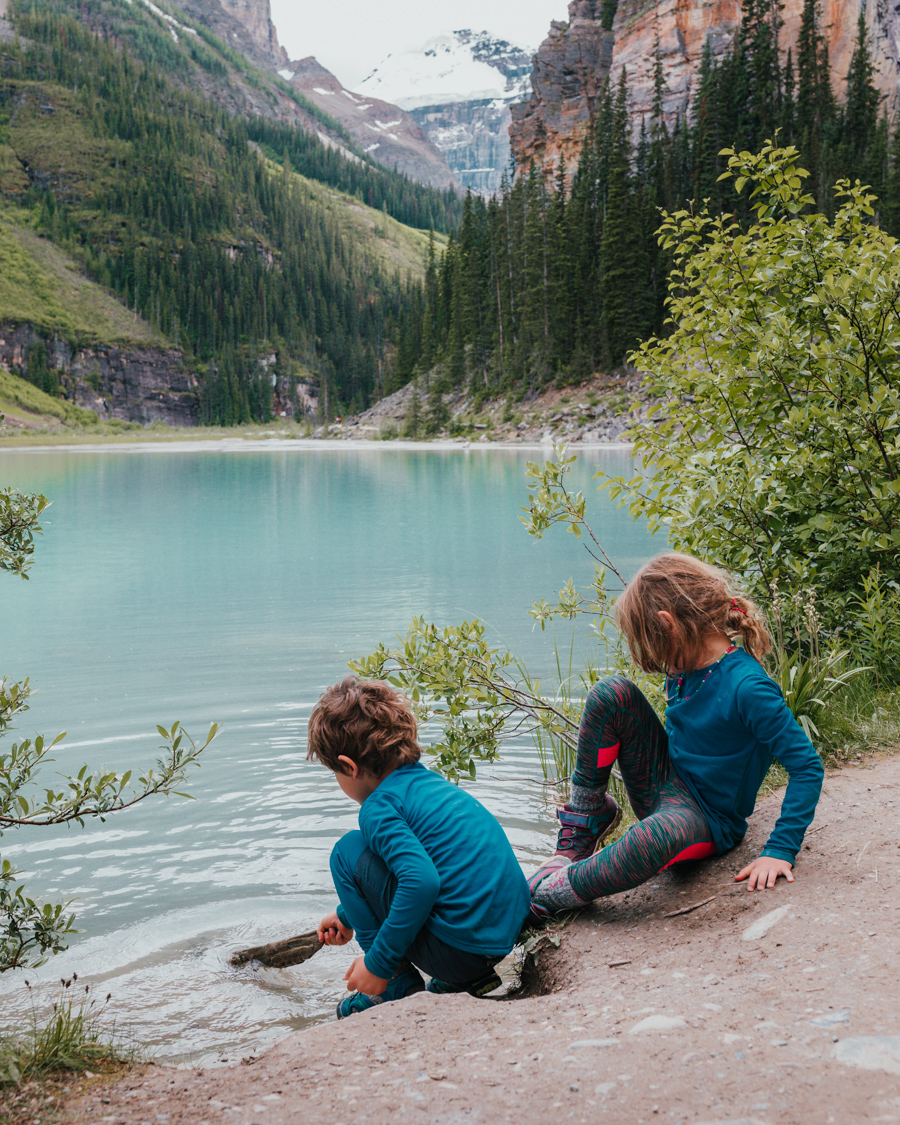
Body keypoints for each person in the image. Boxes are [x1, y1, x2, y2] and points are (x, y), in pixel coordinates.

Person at [528, 553, 825, 920]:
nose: (654, 658)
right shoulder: (687, 665)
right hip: (665, 784)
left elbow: (808, 767)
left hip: (704, 818)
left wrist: (780, 849)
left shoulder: (749, 688)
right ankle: (585, 824)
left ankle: (545, 894)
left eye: (651, 642)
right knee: (611, 692)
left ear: (668, 625)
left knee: (648, 840)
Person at [309, 677, 530, 1018]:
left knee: (347, 851)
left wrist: (377, 963)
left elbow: (421, 881)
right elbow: (438, 870)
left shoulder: (378, 807)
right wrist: (346, 915)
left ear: (349, 768)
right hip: (498, 940)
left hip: (460, 952)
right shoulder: (434, 788)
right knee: (383, 858)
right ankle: (462, 980)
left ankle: (395, 988)